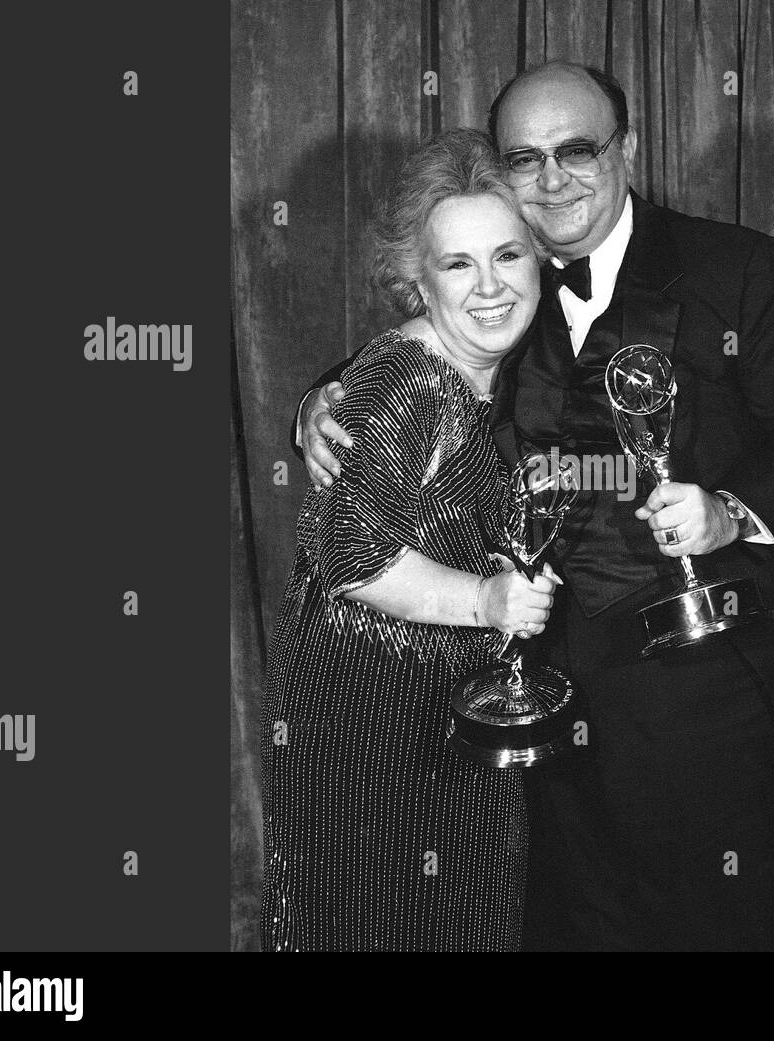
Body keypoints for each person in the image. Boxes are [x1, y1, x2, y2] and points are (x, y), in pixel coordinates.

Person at [297, 63, 774, 951]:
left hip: (708, 680)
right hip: (544, 680)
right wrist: (313, 405)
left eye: (578, 150)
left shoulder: (736, 269)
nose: (553, 179)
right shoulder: (507, 275)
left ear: (627, 151)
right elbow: (409, 362)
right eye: (524, 159)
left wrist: (731, 508)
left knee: (712, 923)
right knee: (564, 924)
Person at [260, 128, 560, 952]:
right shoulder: (409, 378)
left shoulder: (485, 373)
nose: (491, 286)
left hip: (444, 701)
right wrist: (488, 598)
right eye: (459, 264)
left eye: (509, 255)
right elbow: (351, 556)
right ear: (414, 280)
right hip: (370, 714)